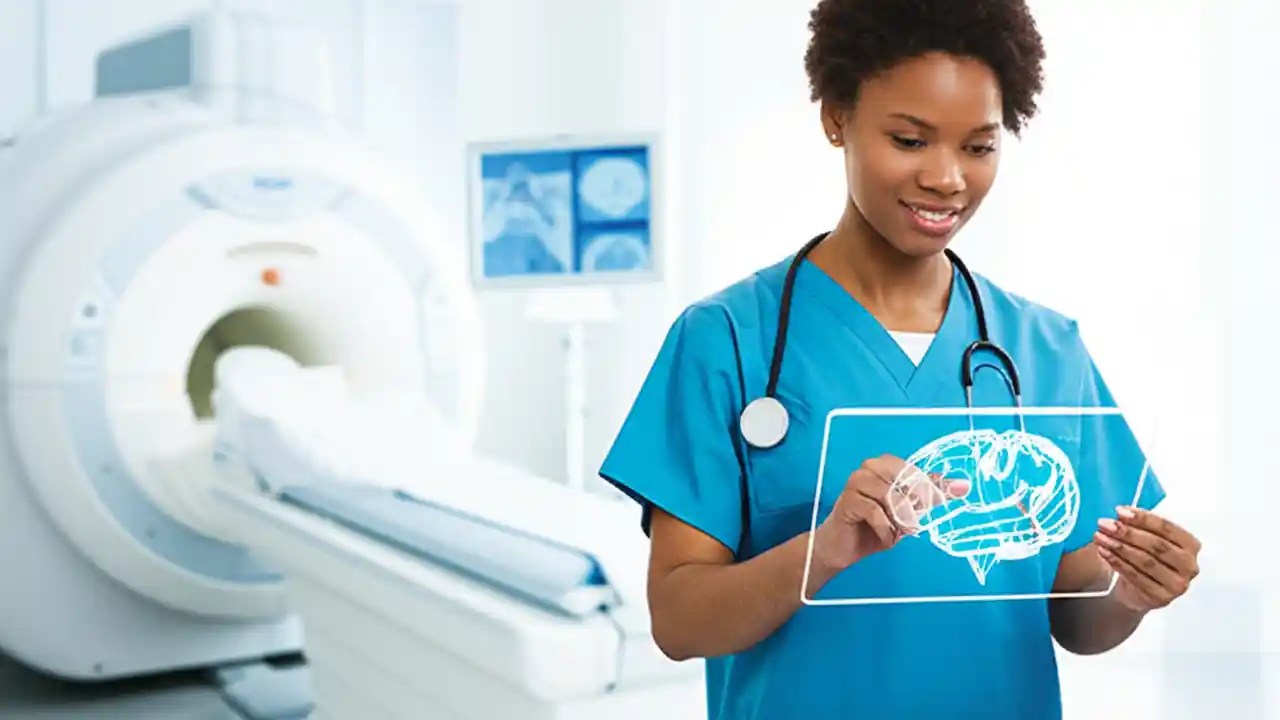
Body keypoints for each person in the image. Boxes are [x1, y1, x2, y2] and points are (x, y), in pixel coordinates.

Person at [597, 1, 1204, 718]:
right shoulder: (726, 340)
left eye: (978, 147)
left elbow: (1076, 619)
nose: (947, 178)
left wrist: (1130, 592)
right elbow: (678, 619)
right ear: (836, 117)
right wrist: (822, 552)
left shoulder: (1046, 350)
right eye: (911, 140)